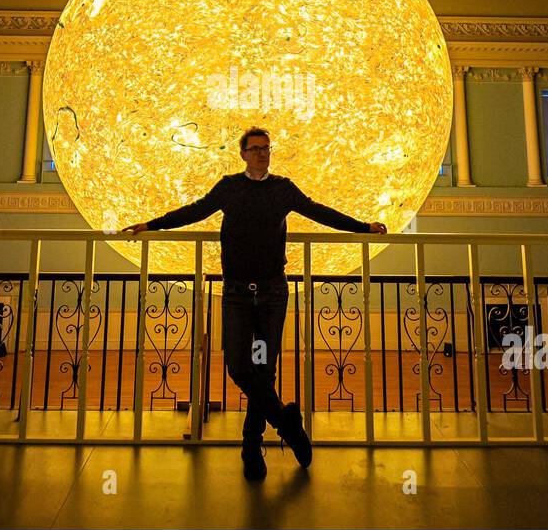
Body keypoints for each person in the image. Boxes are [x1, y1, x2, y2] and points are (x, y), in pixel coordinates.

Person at [123, 126, 386, 481]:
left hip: (272, 297)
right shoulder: (230, 187)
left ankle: (251, 447)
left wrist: (362, 228)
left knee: (262, 368)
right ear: (243, 153)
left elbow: (319, 212)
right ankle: (288, 425)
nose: (263, 153)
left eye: (267, 148)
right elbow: (194, 211)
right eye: (256, 148)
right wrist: (151, 225)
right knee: (237, 365)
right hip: (237, 297)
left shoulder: (282, 189)